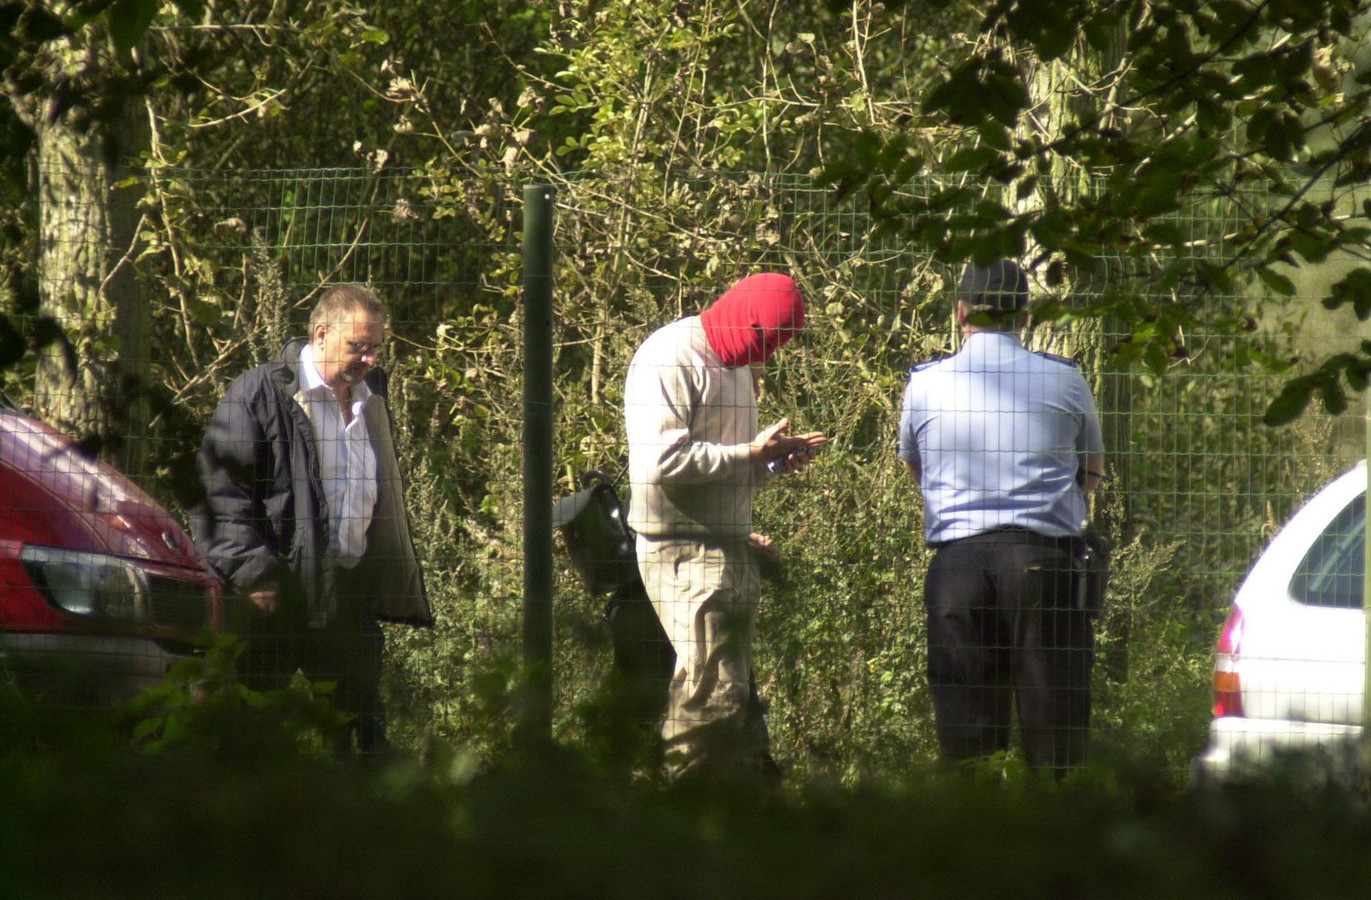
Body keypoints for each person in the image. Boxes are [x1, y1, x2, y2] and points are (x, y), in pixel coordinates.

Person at [194, 284, 430, 753]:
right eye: (358, 347)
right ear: (321, 333)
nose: (368, 359)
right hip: (274, 602)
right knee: (251, 743)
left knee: (364, 743)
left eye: (376, 348)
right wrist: (260, 577)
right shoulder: (258, 394)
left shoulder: (371, 400)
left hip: (349, 596)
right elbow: (218, 503)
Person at [898, 260, 1105, 776]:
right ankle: (1056, 837)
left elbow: (915, 468)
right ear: (1025, 317)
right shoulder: (1068, 380)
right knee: (1055, 724)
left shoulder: (924, 384)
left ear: (961, 312)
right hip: (1042, 562)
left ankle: (974, 841)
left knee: (967, 737)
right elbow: (1092, 469)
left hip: (957, 567)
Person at [624, 272, 827, 781]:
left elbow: (729, 465)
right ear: (745, 317)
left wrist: (773, 462)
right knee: (711, 693)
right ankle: (681, 812)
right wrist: (750, 453)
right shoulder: (670, 357)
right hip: (680, 549)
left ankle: (705, 810)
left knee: (729, 696)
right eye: (766, 342)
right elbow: (662, 462)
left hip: (727, 546)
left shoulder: (739, 363)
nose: (768, 357)